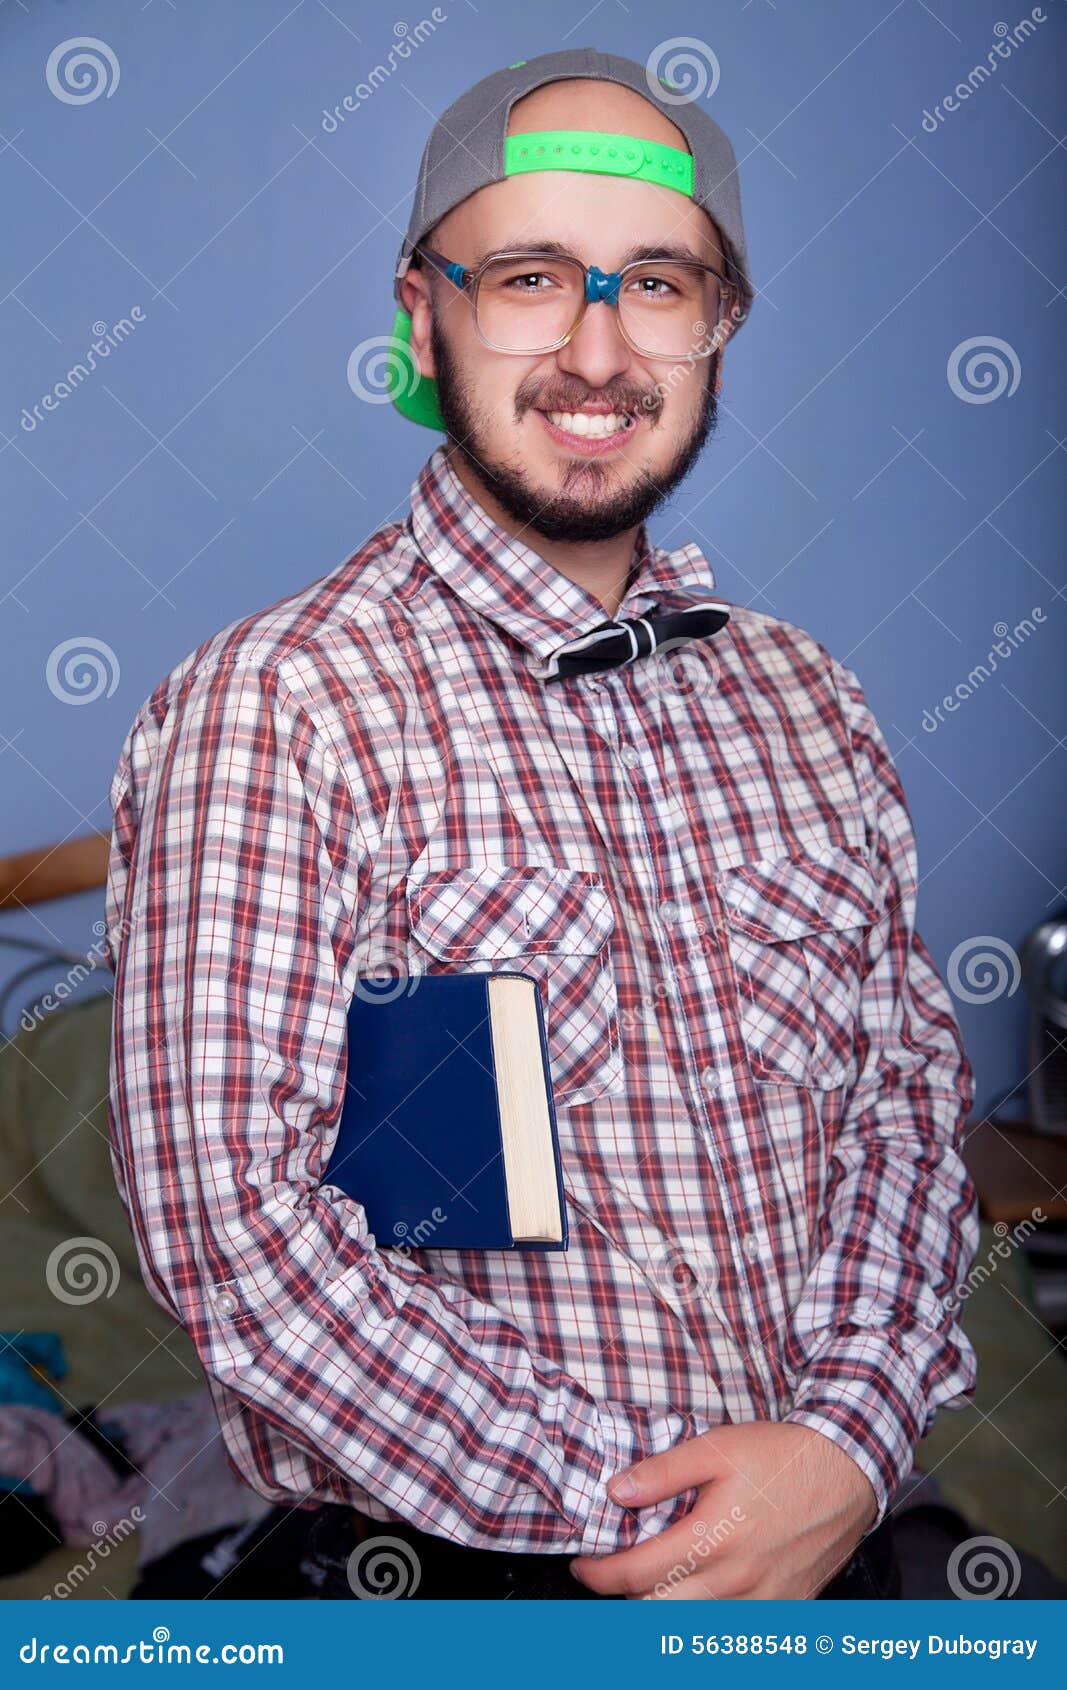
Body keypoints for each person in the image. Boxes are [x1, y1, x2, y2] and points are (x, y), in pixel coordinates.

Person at [104, 47, 978, 1601]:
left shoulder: (812, 700)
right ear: (420, 313)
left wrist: (846, 1446)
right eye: (527, 276)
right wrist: (634, 1506)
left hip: (825, 1546)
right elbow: (229, 1220)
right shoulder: (277, 707)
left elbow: (903, 1105)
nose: (596, 346)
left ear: (719, 328)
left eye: (655, 280)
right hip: (475, 1576)